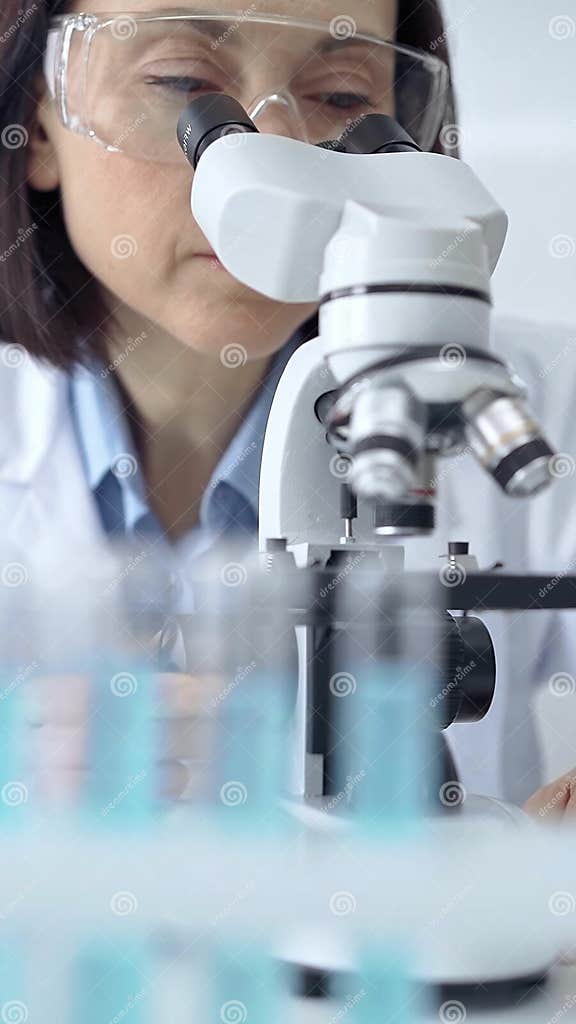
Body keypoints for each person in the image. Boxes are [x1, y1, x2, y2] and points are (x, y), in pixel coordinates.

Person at [1, 0, 575, 809]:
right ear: (40, 120)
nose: (278, 151)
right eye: (185, 82)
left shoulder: (540, 391)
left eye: (342, 98)